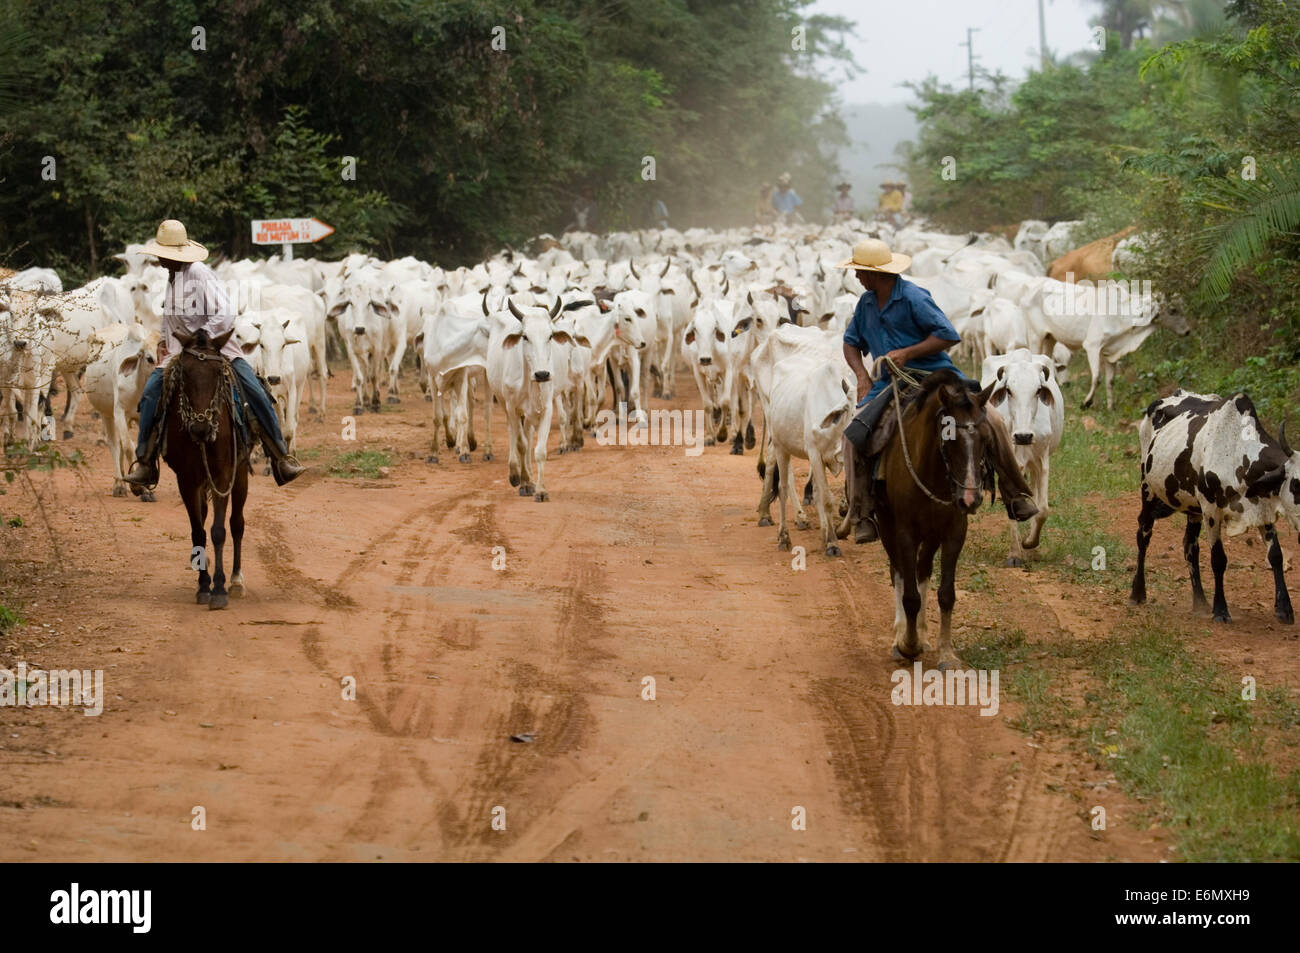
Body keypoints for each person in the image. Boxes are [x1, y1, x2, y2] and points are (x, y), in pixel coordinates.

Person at [836, 238, 1036, 543]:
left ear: (876, 273)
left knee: (993, 421)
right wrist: (862, 376)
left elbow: (948, 335)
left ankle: (1016, 493)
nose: (856, 277)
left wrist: (908, 353)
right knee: (853, 435)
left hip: (937, 378)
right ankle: (862, 511)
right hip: (888, 384)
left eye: (860, 272)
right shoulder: (865, 304)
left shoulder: (915, 298)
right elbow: (851, 343)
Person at [124, 219, 306, 488]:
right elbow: (171, 318)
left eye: (163, 255)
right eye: (159, 255)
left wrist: (203, 337)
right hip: (177, 353)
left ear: (176, 253)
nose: (160, 260)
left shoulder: (198, 273)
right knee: (151, 392)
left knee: (255, 391)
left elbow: (226, 311)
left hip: (217, 350)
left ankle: (280, 456)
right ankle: (146, 461)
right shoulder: (172, 277)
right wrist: (163, 341)